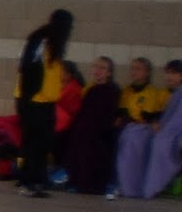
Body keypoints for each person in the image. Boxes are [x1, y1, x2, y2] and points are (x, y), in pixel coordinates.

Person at [13, 8, 74, 198]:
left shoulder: (56, 44)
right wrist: (28, 97)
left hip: (47, 101)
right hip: (33, 100)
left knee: (44, 143)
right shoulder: (41, 40)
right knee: (33, 143)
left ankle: (38, 179)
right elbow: (28, 67)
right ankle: (27, 181)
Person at [114, 59, 181, 199]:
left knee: (155, 142)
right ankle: (132, 187)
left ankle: (150, 187)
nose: (169, 77)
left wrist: (161, 131)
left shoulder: (156, 93)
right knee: (133, 135)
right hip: (158, 129)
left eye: (174, 73)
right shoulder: (172, 93)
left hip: (171, 134)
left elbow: (174, 122)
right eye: (168, 73)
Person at [62, 56, 121, 196]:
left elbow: (107, 114)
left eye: (102, 68)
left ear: (109, 73)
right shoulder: (89, 89)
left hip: (101, 132)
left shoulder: (111, 90)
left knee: (91, 145)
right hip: (84, 128)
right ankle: (76, 181)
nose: (98, 70)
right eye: (96, 67)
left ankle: (92, 184)